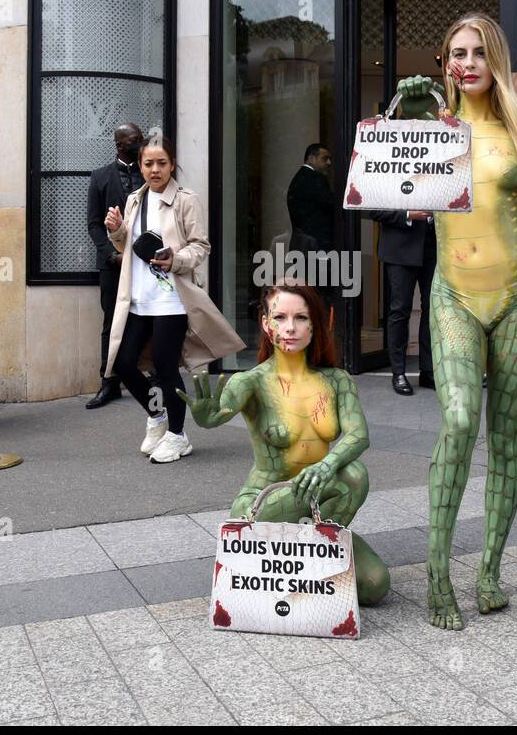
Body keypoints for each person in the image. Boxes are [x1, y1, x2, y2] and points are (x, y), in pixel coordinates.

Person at [397, 12, 517, 630]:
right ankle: (438, 571)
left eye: (476, 53)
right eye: (454, 53)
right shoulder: (433, 132)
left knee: (506, 441)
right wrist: (399, 113)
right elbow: (379, 176)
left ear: (495, 60)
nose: (464, 63)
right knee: (461, 419)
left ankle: (489, 571)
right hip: (454, 297)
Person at [182, 283, 390, 604]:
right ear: (266, 325)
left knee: (375, 584)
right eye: (279, 317)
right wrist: (209, 416)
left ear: (315, 325)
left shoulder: (337, 380)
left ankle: (294, 562)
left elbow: (358, 434)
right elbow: (220, 412)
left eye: (301, 318)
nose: (290, 327)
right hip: (261, 507)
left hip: (315, 504)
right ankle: (295, 567)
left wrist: (326, 465)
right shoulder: (250, 381)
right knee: (351, 478)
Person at [104, 136, 244, 464]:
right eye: (148, 163)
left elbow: (201, 247)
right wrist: (117, 230)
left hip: (171, 300)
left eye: (161, 163)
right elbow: (129, 250)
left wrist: (174, 259)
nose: (155, 169)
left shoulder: (185, 200)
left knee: (165, 368)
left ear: (172, 164)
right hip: (137, 297)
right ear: (140, 166)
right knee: (123, 365)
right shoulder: (134, 200)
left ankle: (179, 436)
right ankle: (157, 417)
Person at [85, 123, 144, 410]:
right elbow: (94, 225)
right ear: (119, 144)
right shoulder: (99, 177)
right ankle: (109, 382)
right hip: (113, 264)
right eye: (134, 140)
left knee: (152, 317)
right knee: (111, 321)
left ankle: (154, 378)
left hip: (148, 262)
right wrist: (112, 255)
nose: (139, 143)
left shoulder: (150, 173)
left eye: (141, 139)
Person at [369, 207, 436, 395]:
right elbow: (374, 210)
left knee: (432, 311)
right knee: (400, 310)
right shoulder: (389, 176)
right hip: (399, 248)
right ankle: (398, 372)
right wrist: (407, 215)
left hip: (434, 246)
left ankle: (428, 371)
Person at [287, 143, 334, 253]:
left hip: (300, 244)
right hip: (316, 246)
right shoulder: (316, 179)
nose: (329, 163)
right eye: (325, 158)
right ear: (311, 159)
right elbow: (330, 206)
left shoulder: (298, 177)